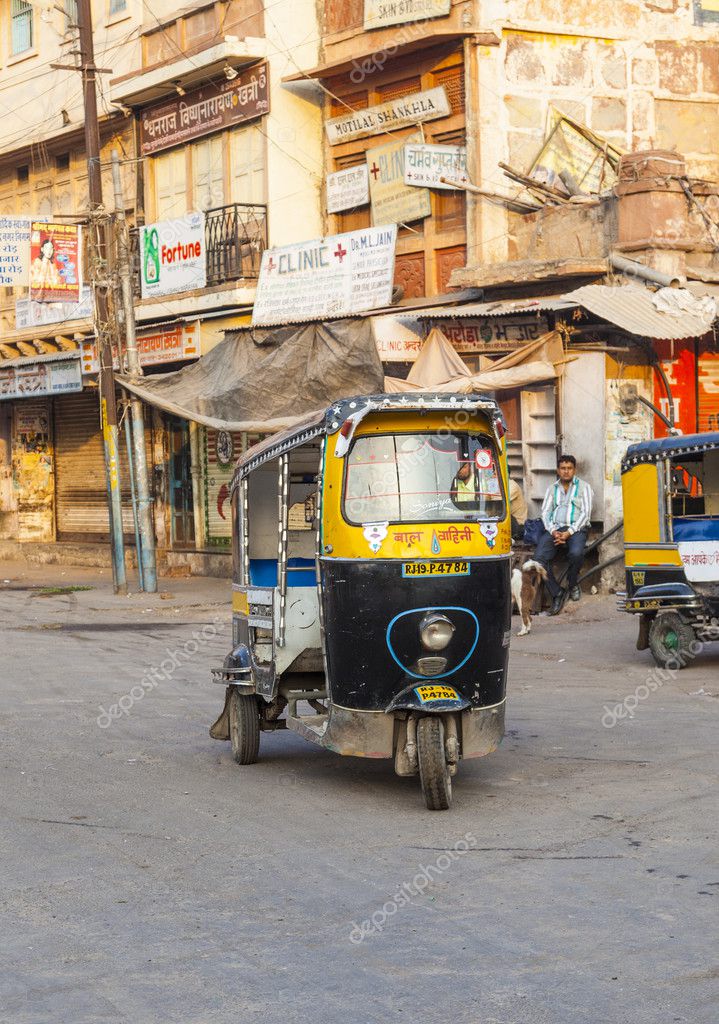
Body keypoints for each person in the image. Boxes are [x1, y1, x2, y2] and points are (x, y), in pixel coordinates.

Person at [534, 454, 593, 615]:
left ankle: (572, 583)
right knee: (538, 559)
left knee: (576, 553)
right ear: (558, 470)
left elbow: (586, 514)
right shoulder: (552, 489)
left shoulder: (584, 487)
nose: (566, 472)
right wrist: (554, 531)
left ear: (575, 470)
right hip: (555, 529)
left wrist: (568, 533)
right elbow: (545, 513)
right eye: (563, 468)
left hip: (576, 529)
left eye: (569, 468)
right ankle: (557, 592)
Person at [508, 476, 527, 541]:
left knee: (501, 514)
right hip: (513, 523)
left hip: (518, 525)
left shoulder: (512, 485)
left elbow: (500, 501)